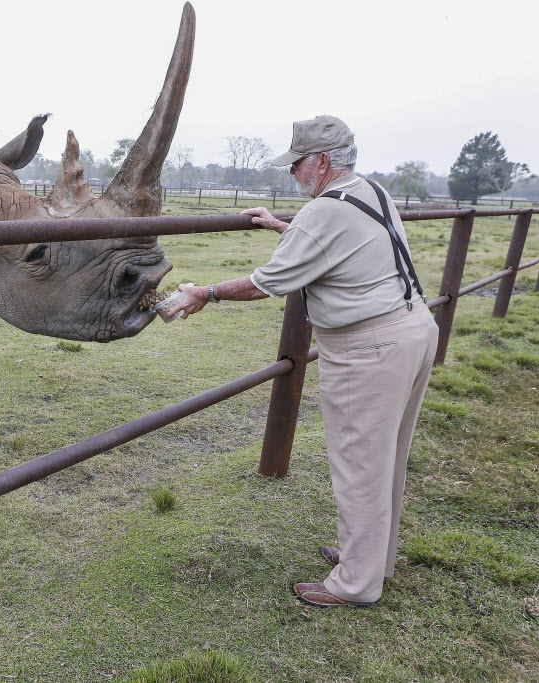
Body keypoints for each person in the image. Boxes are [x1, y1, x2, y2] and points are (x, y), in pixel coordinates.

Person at [169, 115, 438, 608]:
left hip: (370, 348)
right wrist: (281, 225)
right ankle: (372, 559)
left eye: (296, 164)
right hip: (413, 329)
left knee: (360, 464)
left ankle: (356, 583)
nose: (292, 173)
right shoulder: (368, 190)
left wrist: (205, 292)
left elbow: (263, 283)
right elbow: (333, 240)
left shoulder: (323, 212)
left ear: (321, 162)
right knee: (387, 457)